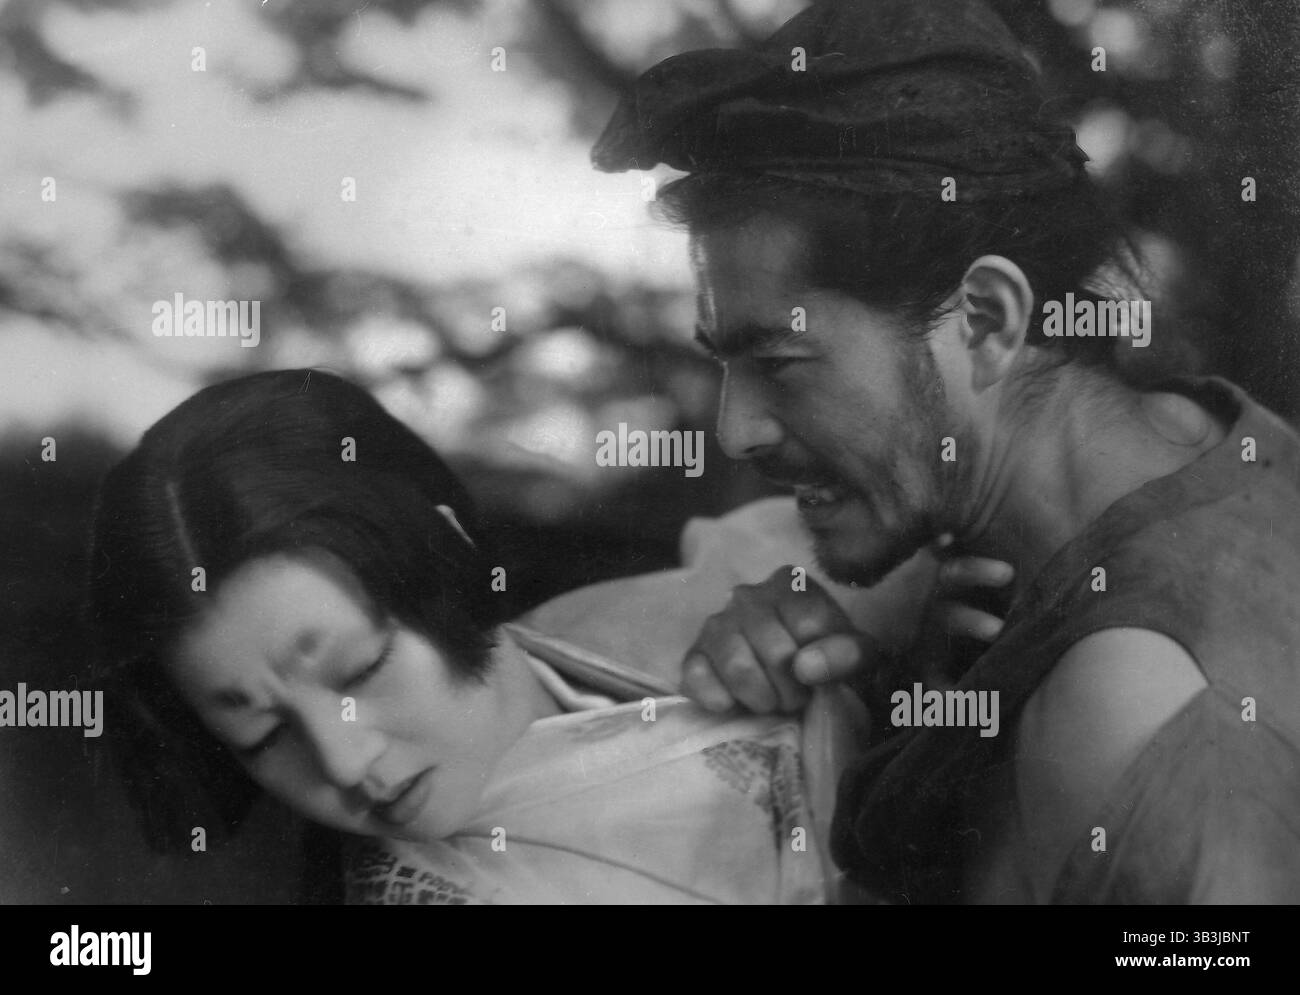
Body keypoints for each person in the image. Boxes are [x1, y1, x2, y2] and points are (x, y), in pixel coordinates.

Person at [593, 0, 1300, 902]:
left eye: (779, 362)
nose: (737, 431)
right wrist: (894, 689)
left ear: (988, 320)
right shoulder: (1222, 441)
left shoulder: (1130, 702)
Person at [86, 367, 998, 904]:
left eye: (359, 667)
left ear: (443, 548)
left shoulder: (649, 620)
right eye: (261, 735)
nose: (342, 759)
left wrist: (895, 673)